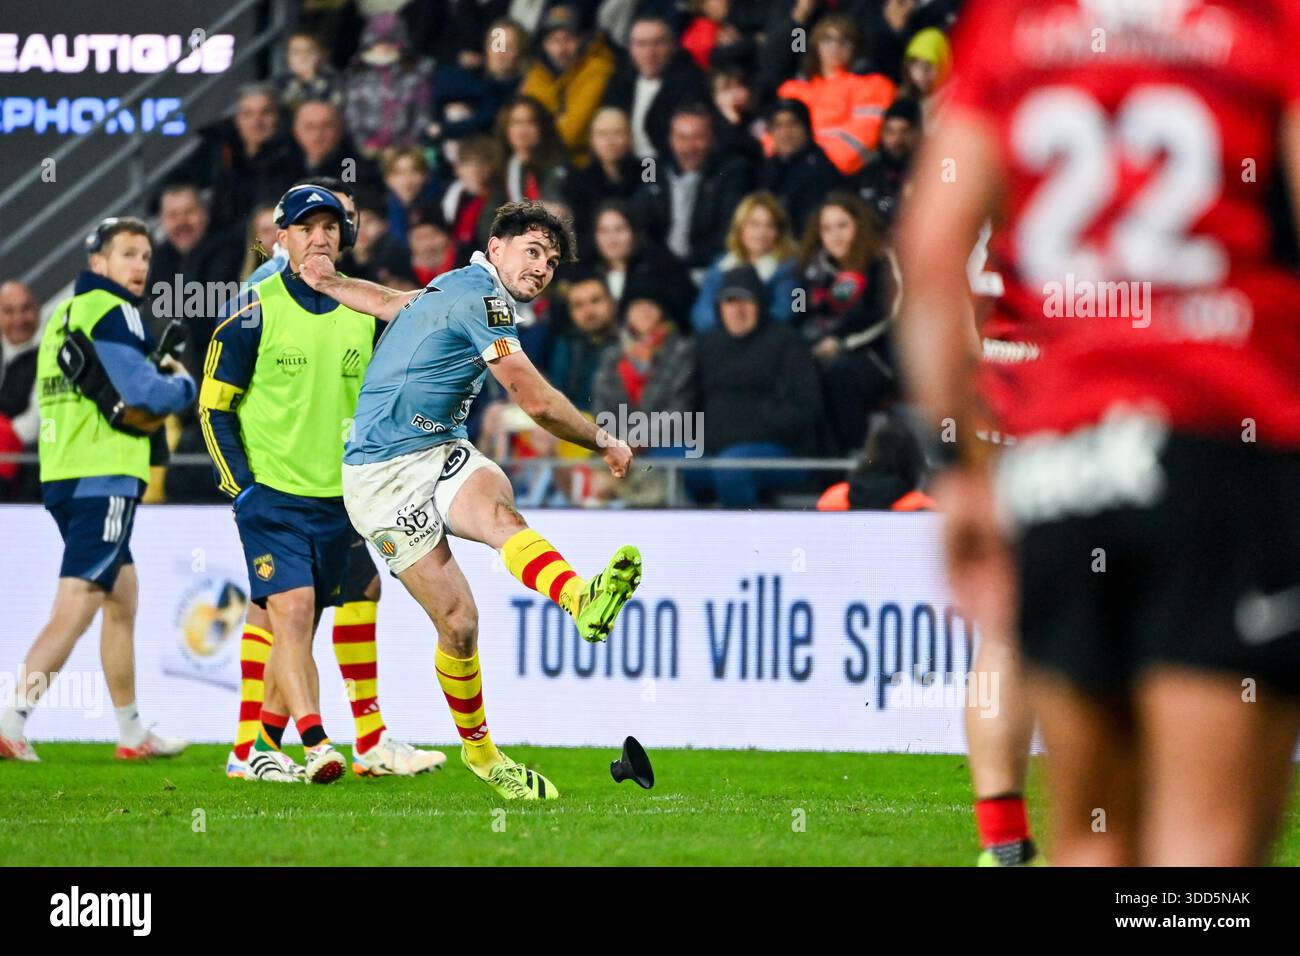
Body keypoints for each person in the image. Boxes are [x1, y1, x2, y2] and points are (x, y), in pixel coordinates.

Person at [897, 0, 1300, 866]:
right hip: (1216, 433)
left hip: (1050, 440)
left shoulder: (1009, 27)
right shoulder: (1268, 20)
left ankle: (1004, 839)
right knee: (1209, 841)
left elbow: (929, 260)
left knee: (1091, 836)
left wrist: (954, 466)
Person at [298, 200, 643, 800]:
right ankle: (482, 755)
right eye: (533, 252)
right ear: (497, 247)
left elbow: (386, 303)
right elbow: (532, 400)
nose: (542, 268)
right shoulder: (480, 298)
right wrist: (601, 438)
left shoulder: (452, 287)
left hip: (441, 450)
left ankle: (581, 598)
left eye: (552, 261)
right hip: (381, 475)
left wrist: (331, 282)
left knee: (499, 510)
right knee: (459, 624)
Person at [227, 179, 440, 781]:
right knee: (281, 610)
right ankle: (279, 743)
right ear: (283, 235)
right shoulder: (260, 300)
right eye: (311, 226)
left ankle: (262, 745)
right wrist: (242, 485)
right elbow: (220, 399)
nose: (325, 236)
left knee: (325, 602)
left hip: (343, 492)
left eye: (337, 224)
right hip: (277, 491)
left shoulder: (359, 301)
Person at [0, 218, 196, 762]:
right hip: (104, 476)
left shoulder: (62, 313)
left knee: (121, 598)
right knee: (78, 603)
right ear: (98, 264)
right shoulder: (115, 311)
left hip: (63, 476)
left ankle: (132, 733)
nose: (139, 266)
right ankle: (11, 720)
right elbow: (143, 392)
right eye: (127, 254)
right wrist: (183, 382)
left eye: (144, 256)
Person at [692, 264, 822, 508]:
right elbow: (692, 402)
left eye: (746, 301)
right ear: (720, 307)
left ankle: (743, 541)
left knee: (730, 468)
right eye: (730, 301)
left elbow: (806, 408)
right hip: (714, 447)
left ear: (761, 304)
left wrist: (750, 427)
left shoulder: (787, 342)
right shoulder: (707, 344)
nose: (738, 310)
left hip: (782, 451)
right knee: (658, 465)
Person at [797, 191, 900, 454]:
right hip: (820, 351)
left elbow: (885, 315)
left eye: (842, 225)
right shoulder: (809, 273)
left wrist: (841, 343)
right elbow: (797, 313)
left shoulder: (880, 264)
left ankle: (851, 457)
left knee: (839, 374)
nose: (835, 235)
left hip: (877, 356)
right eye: (827, 228)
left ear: (859, 226)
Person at [631, 103, 753, 272]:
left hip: (708, 268)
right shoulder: (651, 166)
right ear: (670, 138)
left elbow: (729, 231)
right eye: (681, 137)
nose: (689, 147)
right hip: (658, 268)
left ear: (711, 138)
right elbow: (639, 220)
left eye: (698, 137)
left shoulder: (730, 170)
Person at [771, 13, 897, 177]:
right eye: (827, 40)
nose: (835, 47)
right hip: (788, 175)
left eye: (844, 41)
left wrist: (814, 166)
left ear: (855, 47)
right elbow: (770, 138)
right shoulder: (793, 89)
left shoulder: (874, 86)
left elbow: (863, 138)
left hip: (841, 178)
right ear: (816, 45)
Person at [601, 13, 710, 160]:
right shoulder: (620, 82)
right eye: (641, 44)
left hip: (655, 163)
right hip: (624, 164)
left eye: (657, 43)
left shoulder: (690, 83)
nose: (649, 53)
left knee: (648, 180)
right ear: (630, 49)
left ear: (672, 46)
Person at [519, 4, 615, 167]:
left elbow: (571, 134)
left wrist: (545, 127)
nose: (560, 49)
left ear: (584, 40)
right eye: (553, 41)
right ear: (543, 45)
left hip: (587, 165)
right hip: (544, 162)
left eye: (568, 39)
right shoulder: (537, 73)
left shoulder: (597, 69)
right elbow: (526, 127)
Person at [691, 191, 800, 332]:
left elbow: (788, 313)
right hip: (720, 341)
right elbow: (700, 315)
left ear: (779, 232)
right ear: (740, 228)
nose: (761, 233)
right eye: (754, 224)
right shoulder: (721, 264)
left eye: (770, 225)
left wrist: (741, 330)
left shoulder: (790, 268)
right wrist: (730, 331)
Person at [342, 13, 434, 158]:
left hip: (404, 151)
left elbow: (422, 112)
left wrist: (408, 144)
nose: (383, 47)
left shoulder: (415, 75)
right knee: (352, 174)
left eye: (390, 42)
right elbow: (351, 114)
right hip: (365, 150)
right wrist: (363, 143)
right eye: (377, 42)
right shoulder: (356, 75)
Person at [758, 98, 844, 235]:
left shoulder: (820, 170)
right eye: (778, 126)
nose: (785, 133)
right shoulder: (766, 168)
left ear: (807, 129)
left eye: (792, 124)